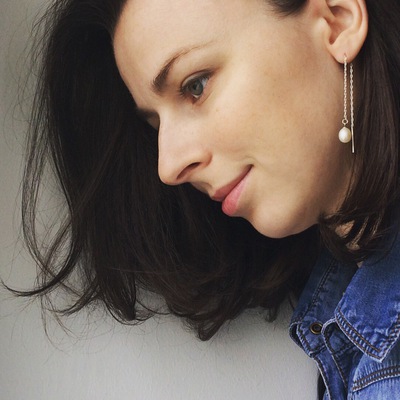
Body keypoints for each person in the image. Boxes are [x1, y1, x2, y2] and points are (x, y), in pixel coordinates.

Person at [21, 0, 400, 398]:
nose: (168, 166)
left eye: (195, 86)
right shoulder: (341, 319)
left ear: (338, 21)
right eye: (155, 124)